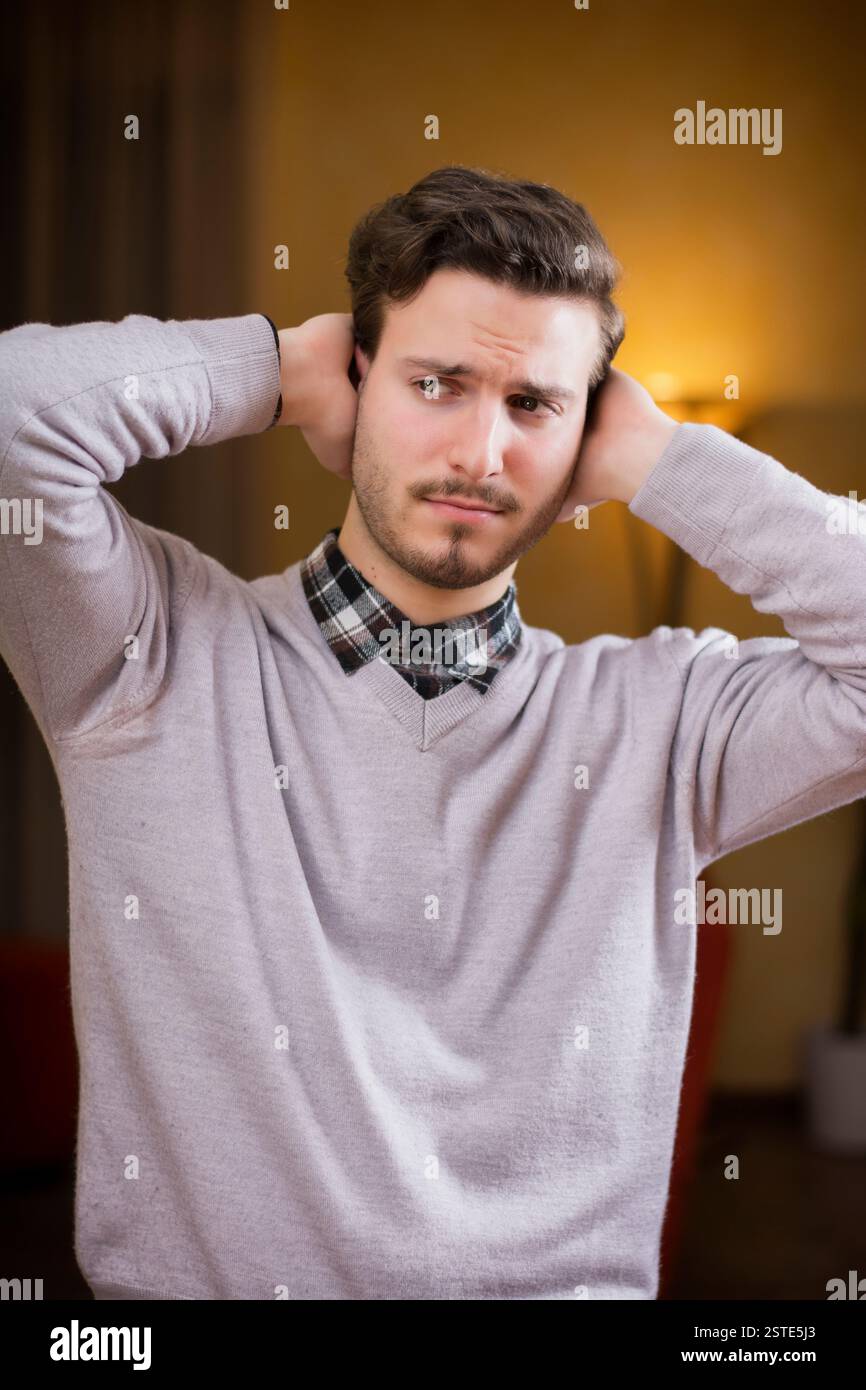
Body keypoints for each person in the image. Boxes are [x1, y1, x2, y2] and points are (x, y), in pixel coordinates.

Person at [1, 165, 864, 1301]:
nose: (480, 453)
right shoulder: (144, 654)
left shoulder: (667, 722)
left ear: (583, 439)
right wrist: (276, 366)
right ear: (356, 378)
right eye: (436, 382)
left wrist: (664, 461)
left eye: (531, 406)